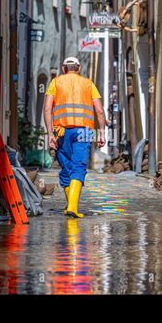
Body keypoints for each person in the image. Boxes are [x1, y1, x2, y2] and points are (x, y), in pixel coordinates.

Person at [43, 57, 106, 218]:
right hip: (84, 131)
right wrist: (102, 132)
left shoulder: (55, 83)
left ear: (64, 69)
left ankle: (71, 205)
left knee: (66, 168)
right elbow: (99, 110)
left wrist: (50, 134)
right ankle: (72, 206)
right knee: (78, 166)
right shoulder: (88, 83)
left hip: (61, 131)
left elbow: (47, 109)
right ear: (78, 68)